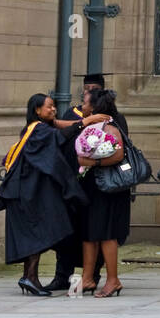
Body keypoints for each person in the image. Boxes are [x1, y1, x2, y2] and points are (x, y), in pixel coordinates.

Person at [0, 94, 88, 296]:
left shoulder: (35, 129)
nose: (53, 109)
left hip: (26, 193)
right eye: (49, 106)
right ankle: (30, 277)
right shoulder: (39, 130)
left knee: (35, 234)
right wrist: (84, 123)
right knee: (39, 233)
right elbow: (60, 138)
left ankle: (30, 277)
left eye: (54, 106)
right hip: (26, 195)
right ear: (37, 110)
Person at [48, 73, 112, 291]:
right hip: (70, 180)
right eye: (87, 89)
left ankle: (92, 274)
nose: (89, 92)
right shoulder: (73, 113)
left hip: (94, 184)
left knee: (92, 232)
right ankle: (62, 274)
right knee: (66, 230)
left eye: (95, 88)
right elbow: (63, 133)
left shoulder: (108, 118)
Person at [78, 88, 132, 297]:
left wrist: (92, 161)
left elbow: (118, 155)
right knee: (89, 233)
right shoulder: (93, 126)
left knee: (106, 233)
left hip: (107, 188)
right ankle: (87, 278)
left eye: (84, 102)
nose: (82, 106)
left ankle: (113, 280)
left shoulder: (110, 127)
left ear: (94, 107)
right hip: (93, 187)